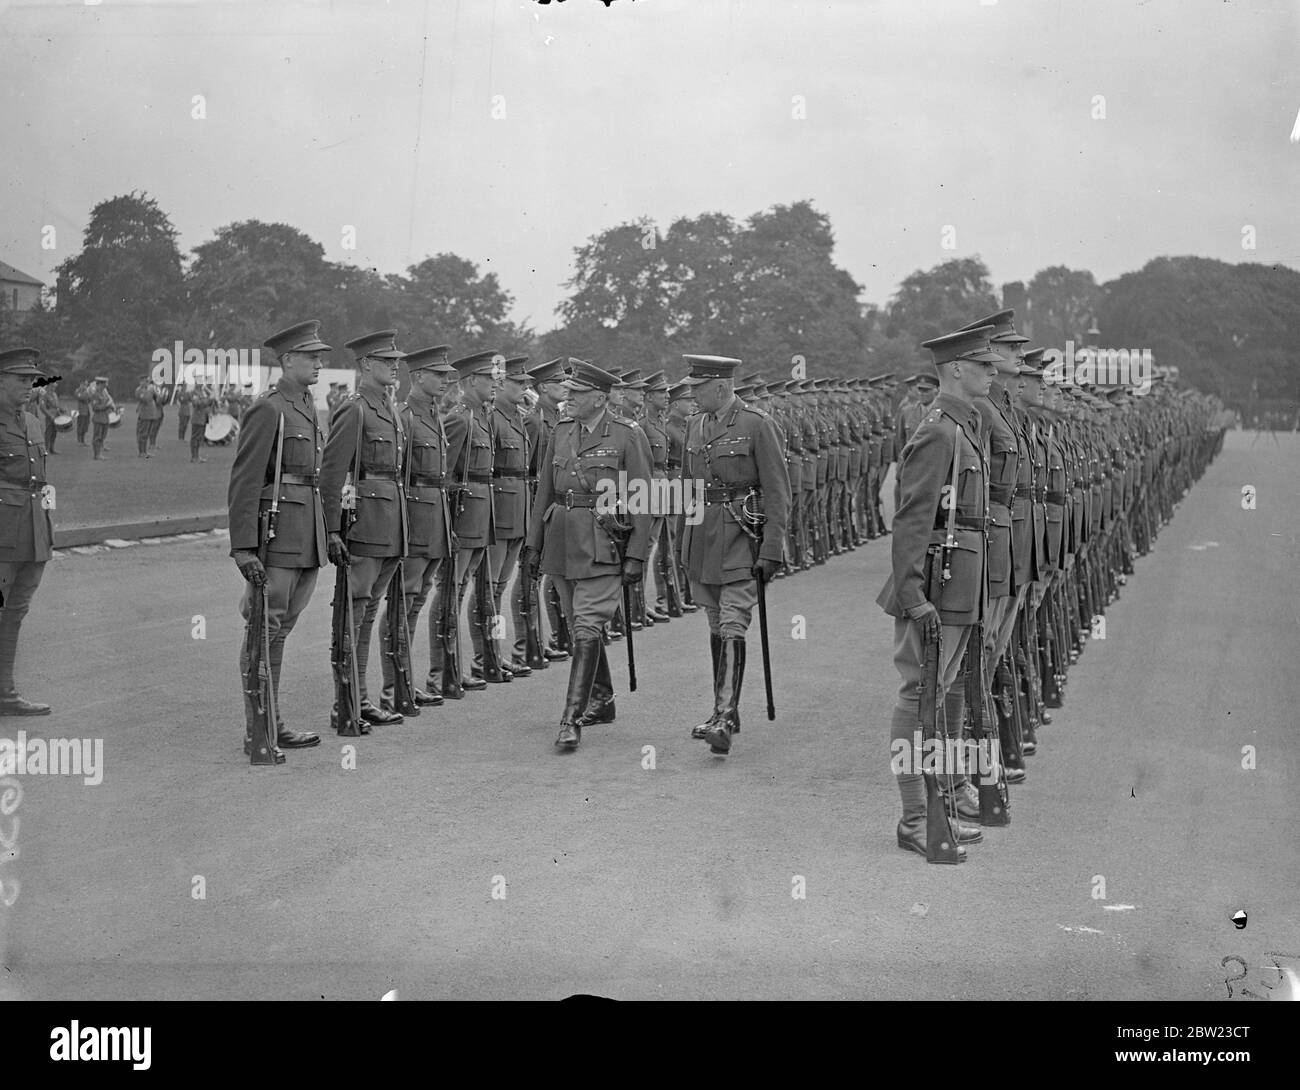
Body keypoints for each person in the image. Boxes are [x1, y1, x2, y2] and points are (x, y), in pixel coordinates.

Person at [876, 326, 1001, 862]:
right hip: (936, 582)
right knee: (917, 694)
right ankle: (915, 818)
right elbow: (911, 519)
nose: (993, 372)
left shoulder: (962, 426)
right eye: (984, 365)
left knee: (941, 690)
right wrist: (912, 595)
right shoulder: (939, 431)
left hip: (959, 581)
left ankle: (938, 808)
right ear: (955, 369)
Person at [524, 359, 651, 750]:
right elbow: (545, 488)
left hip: (602, 542)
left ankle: (571, 718)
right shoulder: (561, 431)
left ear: (600, 398)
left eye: (578, 394)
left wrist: (636, 555)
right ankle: (603, 699)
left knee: (585, 626)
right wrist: (533, 543)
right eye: (568, 392)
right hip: (561, 539)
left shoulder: (628, 435)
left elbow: (643, 498)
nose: (569, 399)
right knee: (581, 623)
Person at [676, 354, 791, 756]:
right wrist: (681, 543)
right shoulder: (695, 425)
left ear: (722, 387)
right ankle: (724, 709)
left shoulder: (756, 424)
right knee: (713, 621)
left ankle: (725, 715)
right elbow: (688, 489)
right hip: (703, 538)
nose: (692, 394)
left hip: (742, 535)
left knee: (732, 623)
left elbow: (778, 490)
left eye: (699, 387)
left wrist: (773, 548)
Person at [227, 320, 330, 760]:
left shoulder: (306, 404)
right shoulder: (269, 408)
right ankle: (259, 732)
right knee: (263, 630)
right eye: (312, 357)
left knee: (279, 630)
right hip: (277, 536)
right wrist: (244, 548)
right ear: (288, 360)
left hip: (303, 533)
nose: (320, 363)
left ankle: (270, 721)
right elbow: (245, 481)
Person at [320, 330, 410, 729]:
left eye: (395, 360)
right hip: (365, 524)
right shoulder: (355, 410)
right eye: (386, 360)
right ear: (365, 365)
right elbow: (333, 473)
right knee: (352, 614)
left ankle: (360, 699)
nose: (395, 365)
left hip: (389, 522)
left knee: (368, 613)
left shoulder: (386, 407)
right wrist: (334, 530)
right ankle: (346, 706)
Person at [378, 344, 456, 710]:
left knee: (416, 601)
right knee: (402, 602)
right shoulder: (406, 416)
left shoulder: (433, 415)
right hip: (414, 519)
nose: (445, 381)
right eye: (438, 375)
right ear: (418, 376)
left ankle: (405, 680)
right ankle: (394, 688)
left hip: (434, 519)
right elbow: (400, 478)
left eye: (446, 375)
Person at [434, 350, 499, 696]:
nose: (494, 385)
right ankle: (441, 671)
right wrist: (450, 524)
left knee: (461, 591)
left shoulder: (481, 417)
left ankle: (454, 668)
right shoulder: (461, 418)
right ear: (471, 381)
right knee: (450, 593)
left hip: (480, 513)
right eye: (489, 379)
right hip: (464, 516)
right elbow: (445, 475)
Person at [0, 348, 55, 716]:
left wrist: (47, 528)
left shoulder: (33, 421)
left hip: (33, 531)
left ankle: (5, 693)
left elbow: (43, 483)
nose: (29, 386)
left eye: (31, 379)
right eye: (20, 379)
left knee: (16, 612)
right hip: (3, 531)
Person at [474, 354, 532, 679]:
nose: (524, 387)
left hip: (517, 512)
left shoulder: (518, 417)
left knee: (499, 590)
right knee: (488, 589)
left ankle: (495, 652)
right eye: (518, 382)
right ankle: (485, 658)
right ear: (500, 383)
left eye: (526, 383)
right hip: (499, 513)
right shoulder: (493, 418)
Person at [134, 374, 164, 458]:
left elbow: (158, 398)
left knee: (146, 433)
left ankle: (145, 451)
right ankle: (141, 452)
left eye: (148, 381)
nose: (147, 383)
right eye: (145, 381)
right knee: (142, 433)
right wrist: (153, 392)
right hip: (144, 414)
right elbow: (146, 399)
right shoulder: (139, 390)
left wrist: (159, 396)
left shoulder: (151, 388)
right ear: (141, 382)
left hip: (151, 414)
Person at [89, 376, 116, 460]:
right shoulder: (95, 394)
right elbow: (95, 408)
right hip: (98, 418)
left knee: (102, 437)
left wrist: (112, 407)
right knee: (97, 437)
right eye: (104, 384)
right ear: (99, 384)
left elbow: (109, 403)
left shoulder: (104, 393)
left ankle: (99, 454)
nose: (105, 386)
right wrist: (106, 405)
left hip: (105, 418)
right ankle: (96, 455)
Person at [189, 386, 216, 463]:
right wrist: (209, 399)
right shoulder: (194, 392)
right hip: (197, 418)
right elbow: (197, 403)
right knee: (195, 438)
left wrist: (212, 399)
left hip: (203, 418)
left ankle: (197, 456)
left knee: (199, 438)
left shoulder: (203, 391)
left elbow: (208, 404)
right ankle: (194, 457)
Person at [38, 377, 61, 455]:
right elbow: (42, 407)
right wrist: (49, 415)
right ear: (49, 385)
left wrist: (61, 410)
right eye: (53, 386)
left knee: (54, 432)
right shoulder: (45, 394)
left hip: (57, 416)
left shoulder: (54, 394)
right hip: (50, 416)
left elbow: (56, 405)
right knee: (48, 433)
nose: (54, 387)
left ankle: (52, 449)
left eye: (55, 386)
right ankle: (46, 449)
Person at [75, 378, 93, 445]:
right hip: (81, 411)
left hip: (87, 411)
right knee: (80, 426)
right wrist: (87, 393)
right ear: (81, 384)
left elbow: (90, 399)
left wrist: (88, 394)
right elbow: (82, 398)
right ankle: (79, 441)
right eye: (84, 384)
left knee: (85, 426)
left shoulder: (87, 392)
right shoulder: (77, 391)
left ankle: (83, 441)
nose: (86, 386)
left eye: (87, 385)